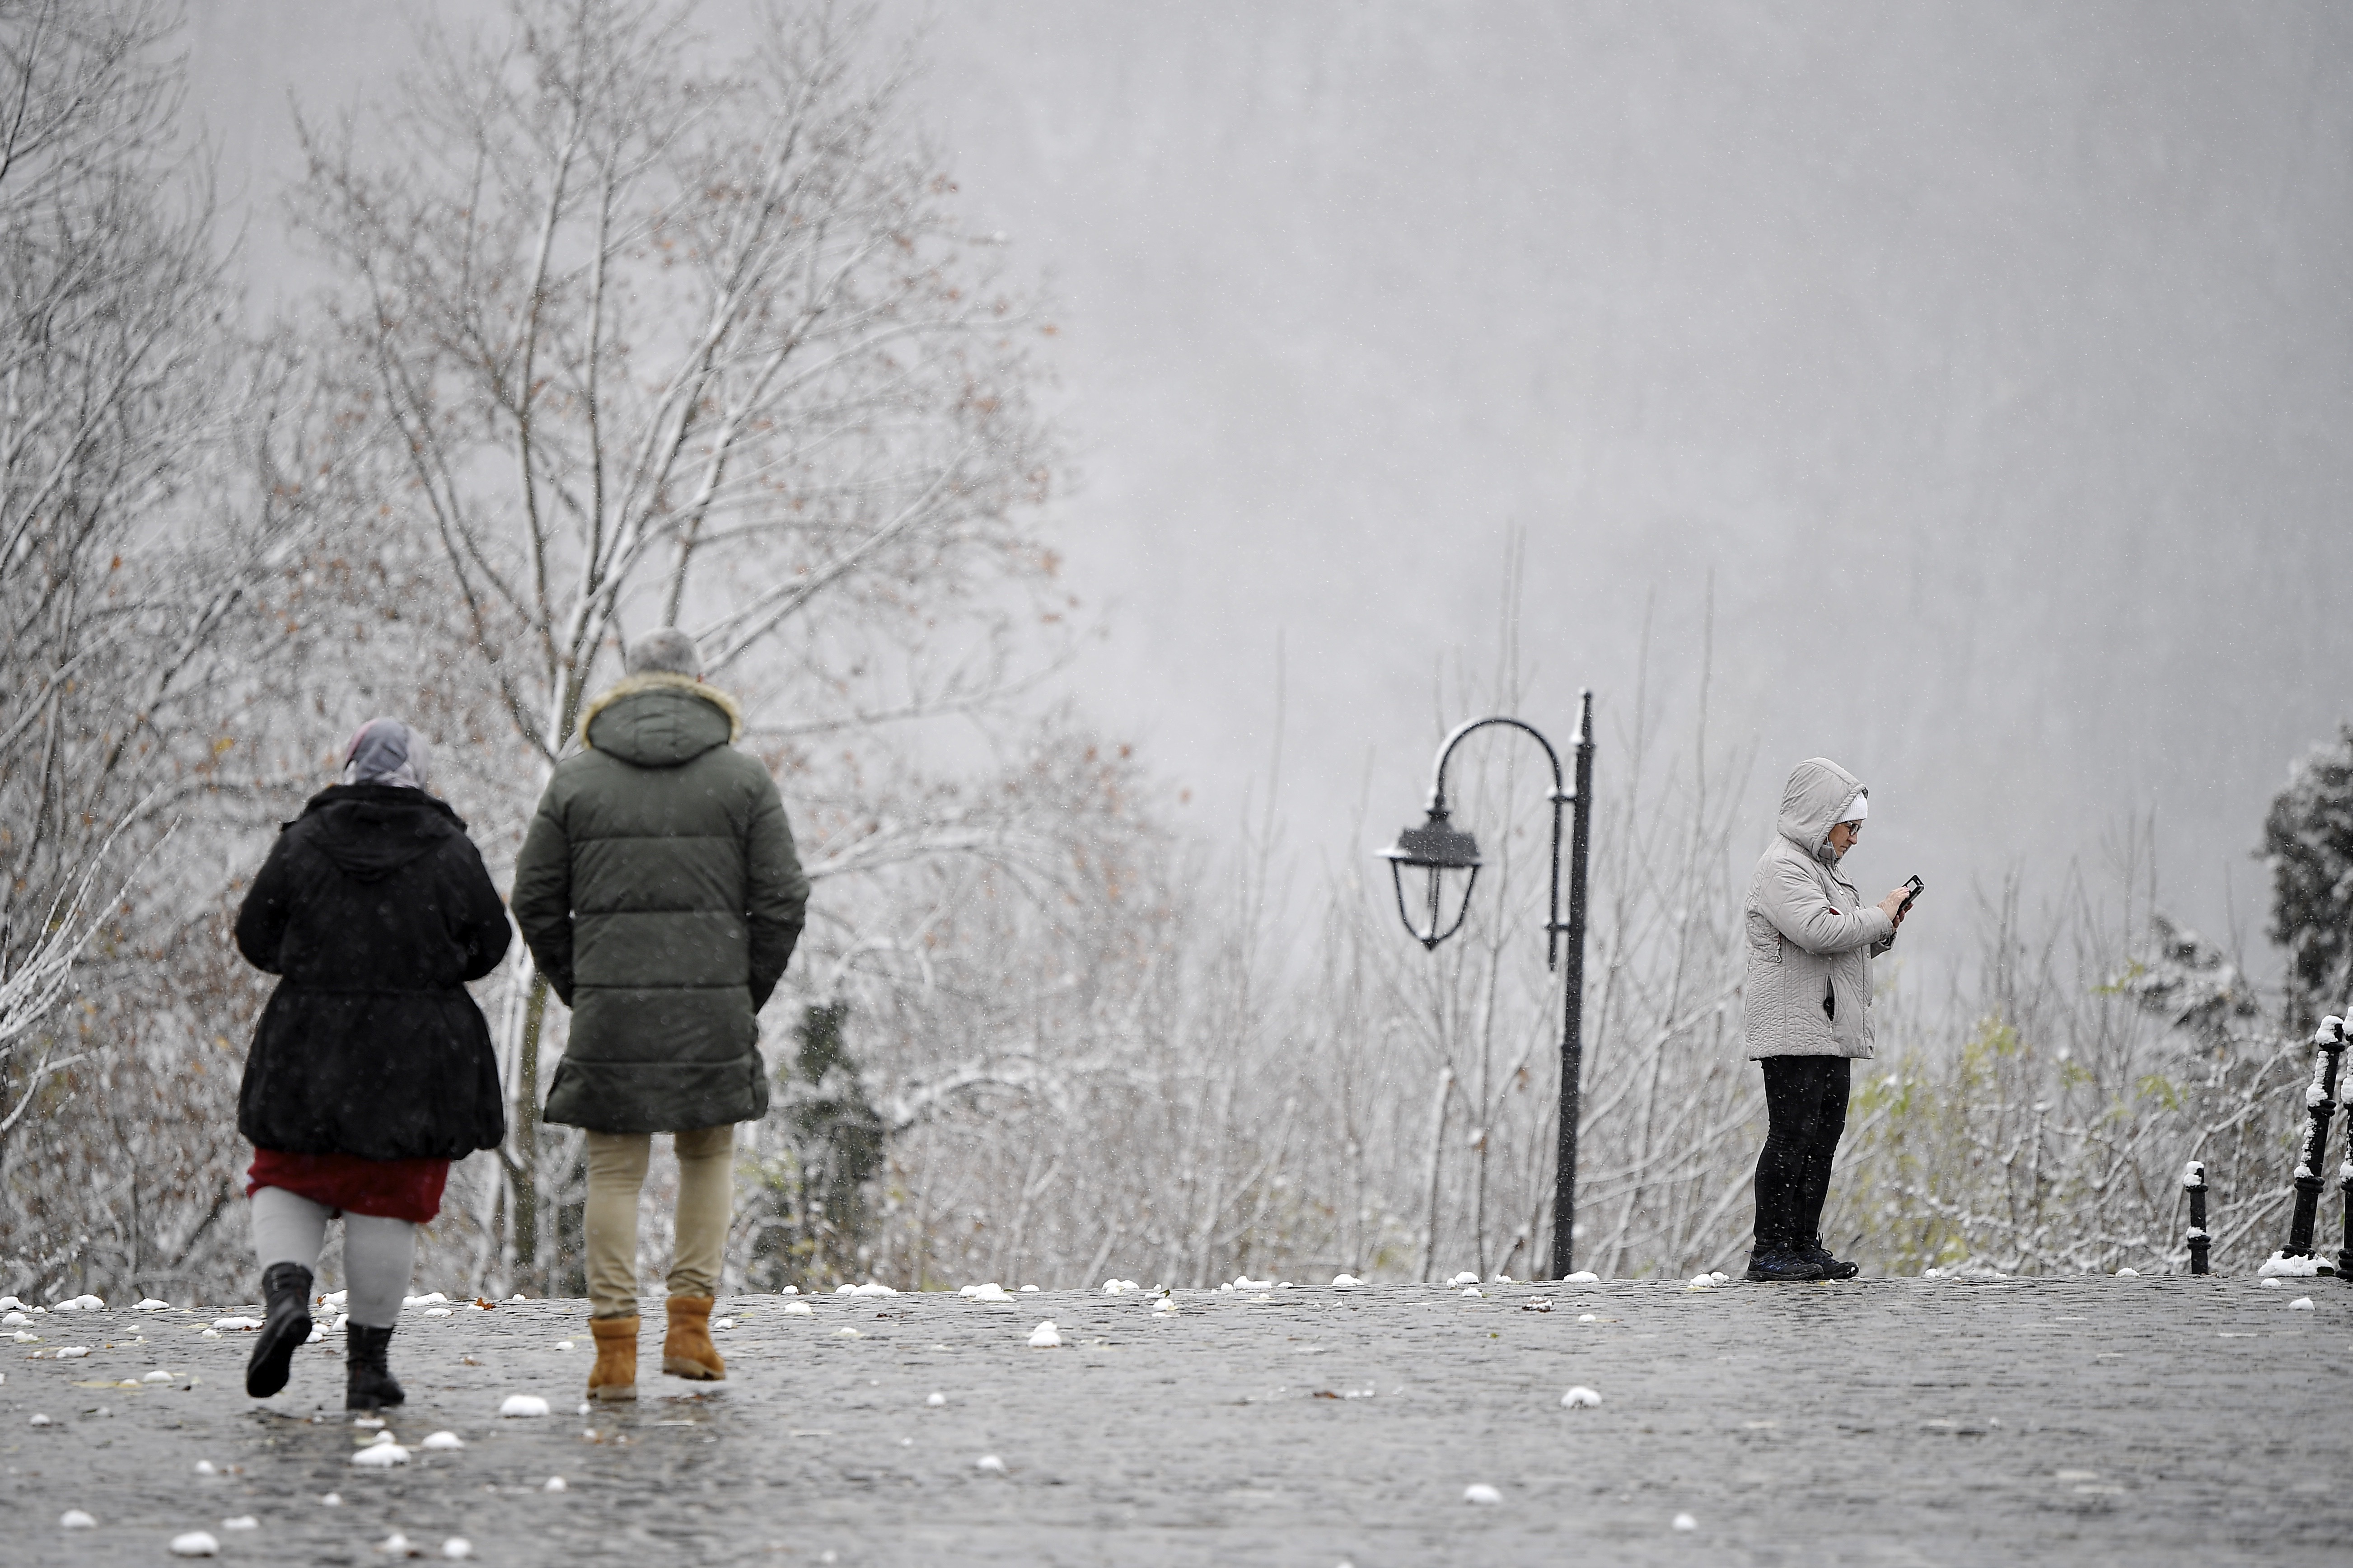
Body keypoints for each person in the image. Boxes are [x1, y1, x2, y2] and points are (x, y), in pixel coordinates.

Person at [511, 627, 809, 1402]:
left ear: (627, 687)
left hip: (611, 1007)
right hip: (713, 1009)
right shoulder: (742, 779)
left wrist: (585, 984)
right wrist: (743, 987)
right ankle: (690, 1331)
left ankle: (613, 1352)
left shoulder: (576, 780)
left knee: (614, 1168)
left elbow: (534, 899)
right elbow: (783, 898)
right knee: (706, 1157)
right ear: (698, 684)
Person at [234, 719, 511, 1408]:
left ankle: (288, 1293)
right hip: (413, 1052)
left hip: (308, 1039)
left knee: (289, 1172)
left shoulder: (302, 840)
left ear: (351, 766)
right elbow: (492, 942)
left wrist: (317, 970)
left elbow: (254, 933)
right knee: (385, 1195)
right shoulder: (448, 848)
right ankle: (367, 1368)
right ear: (418, 771)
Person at [1740, 756, 1919, 1283]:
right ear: (1823, 819)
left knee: (1822, 1139)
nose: (1855, 839)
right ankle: (1770, 1249)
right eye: (1851, 827)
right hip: (1795, 1029)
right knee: (1792, 1136)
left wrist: (1883, 928)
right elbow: (1819, 932)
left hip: (1827, 1028)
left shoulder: (1824, 871)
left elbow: (1842, 943)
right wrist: (1879, 915)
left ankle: (1801, 1245)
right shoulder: (1783, 867)